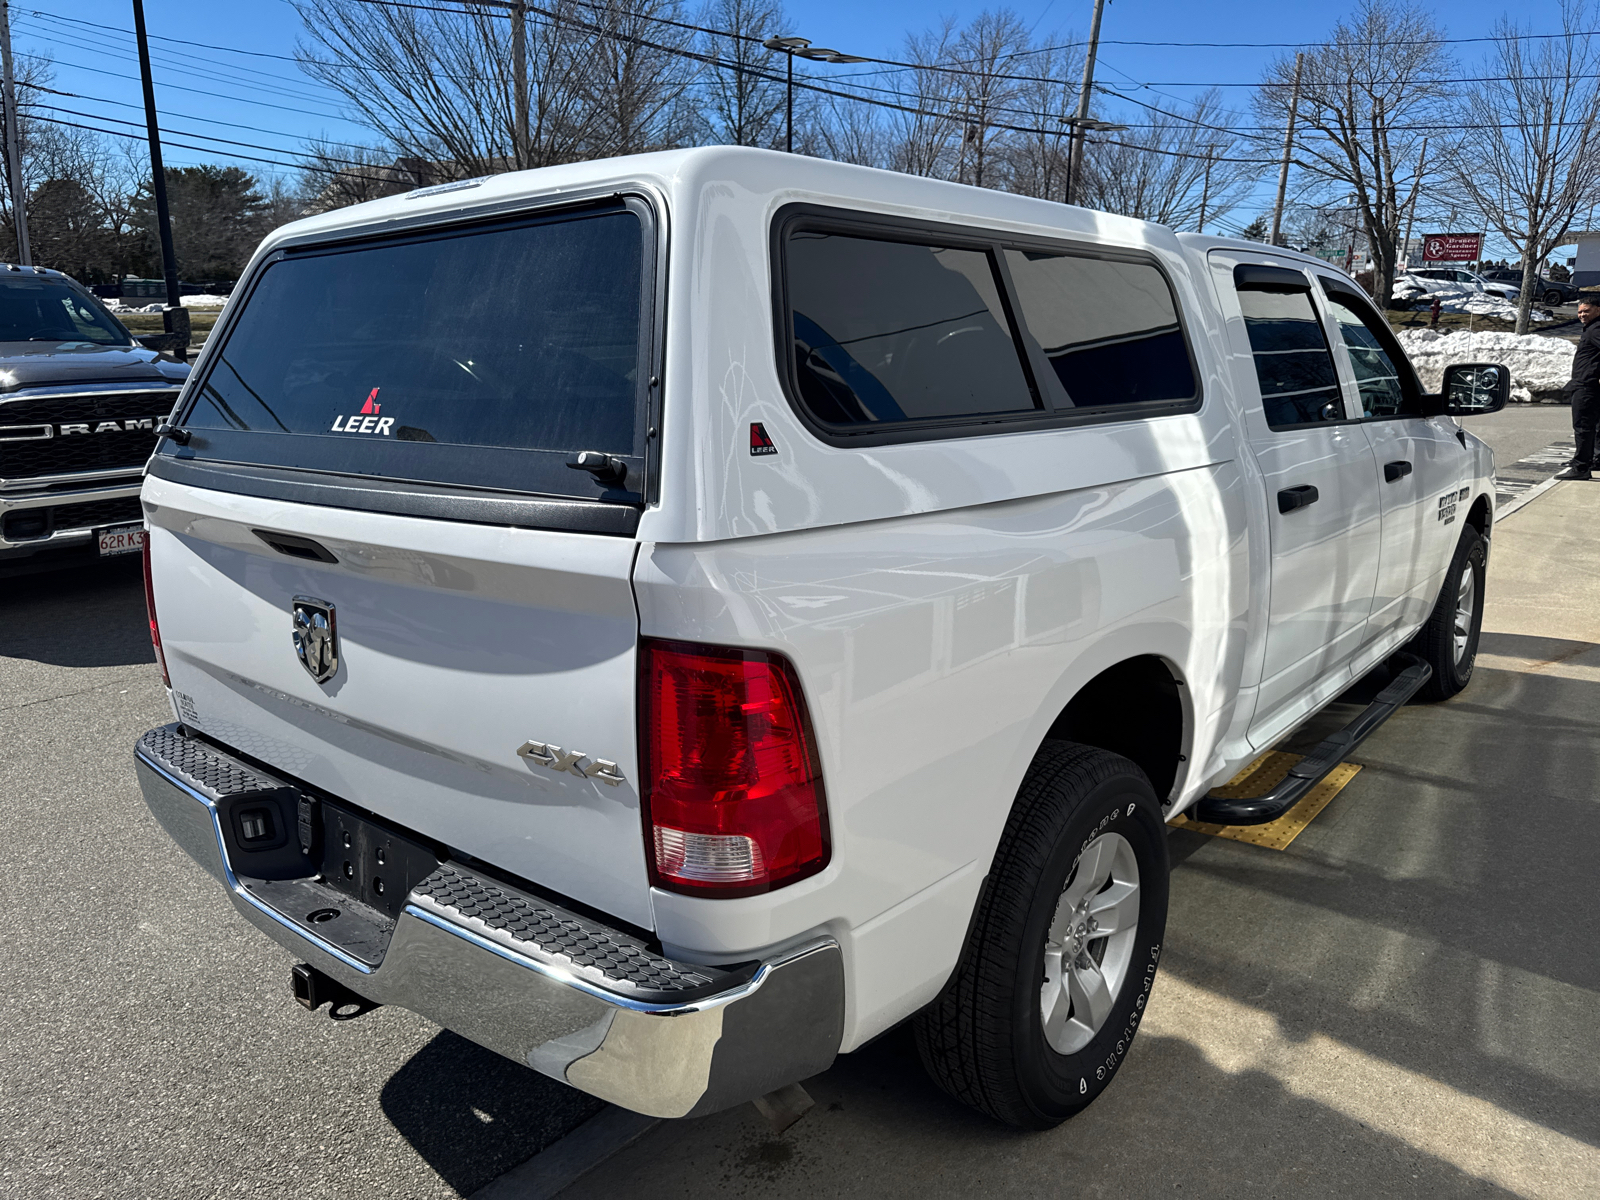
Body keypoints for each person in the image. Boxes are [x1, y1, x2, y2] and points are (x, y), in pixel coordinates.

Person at [1555, 294, 1600, 480]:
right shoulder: (1592, 328)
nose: (1581, 315)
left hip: (1587, 386)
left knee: (1583, 426)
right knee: (1596, 426)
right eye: (1580, 311)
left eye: (1586, 311)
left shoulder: (1596, 330)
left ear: (1598, 309)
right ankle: (1595, 459)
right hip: (1588, 383)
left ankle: (1581, 467)